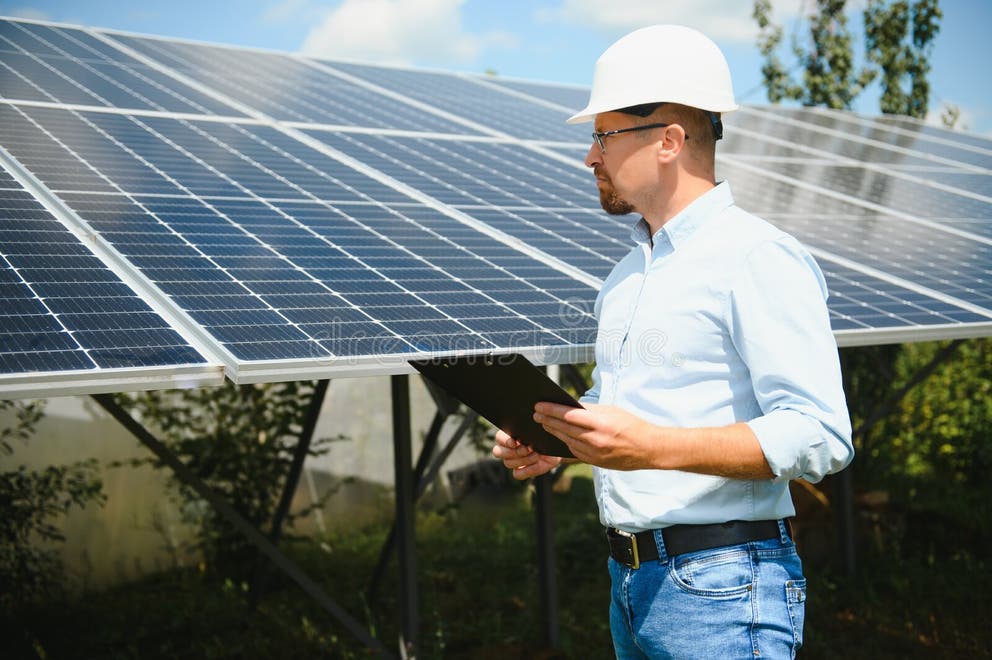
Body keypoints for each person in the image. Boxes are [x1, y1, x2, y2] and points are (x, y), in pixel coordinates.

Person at [492, 24, 854, 659]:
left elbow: (821, 433)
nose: (590, 157)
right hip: (630, 584)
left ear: (669, 140)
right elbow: (630, 410)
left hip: (723, 586)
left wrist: (651, 447)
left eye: (603, 136)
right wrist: (557, 439)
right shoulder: (625, 277)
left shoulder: (756, 257)